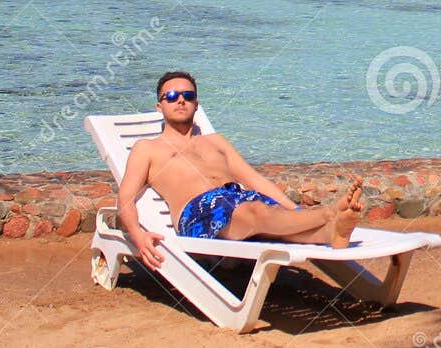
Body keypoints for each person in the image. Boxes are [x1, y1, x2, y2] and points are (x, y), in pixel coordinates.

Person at [117, 70, 363, 270]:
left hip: (240, 201)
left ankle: (330, 233)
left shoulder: (216, 142)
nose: (180, 100)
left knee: (266, 217)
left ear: (196, 104)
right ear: (159, 106)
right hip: (198, 214)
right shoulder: (147, 148)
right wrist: (138, 236)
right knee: (255, 212)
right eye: (170, 95)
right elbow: (125, 199)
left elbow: (253, 180)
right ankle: (327, 214)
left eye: (187, 95)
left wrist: (294, 209)